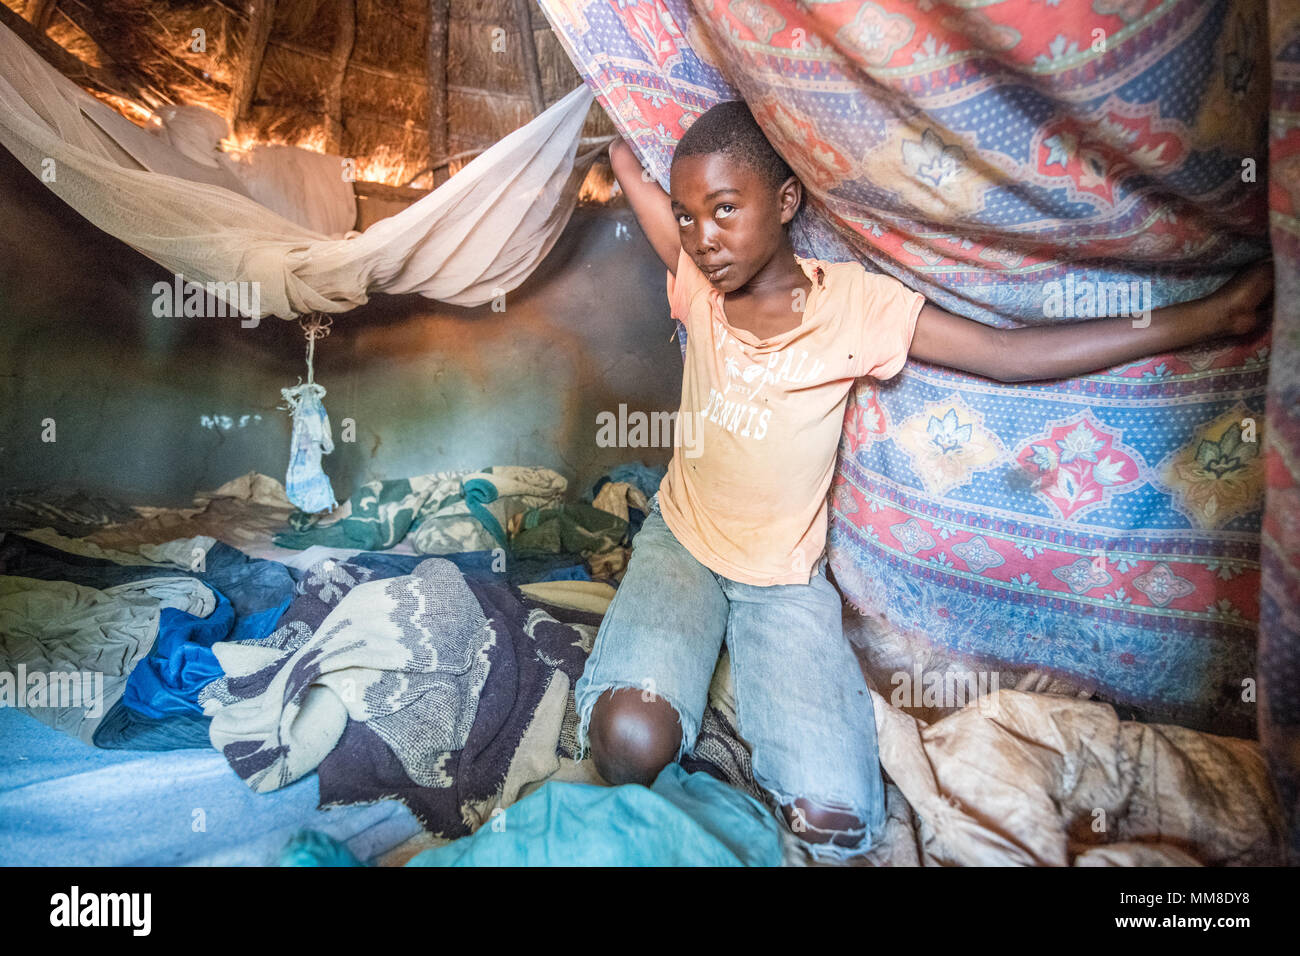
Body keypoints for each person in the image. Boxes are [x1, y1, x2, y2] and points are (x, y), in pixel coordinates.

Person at [579, 100, 1273, 861]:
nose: (703, 239)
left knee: (836, 817)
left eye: (723, 210)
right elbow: (643, 192)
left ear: (784, 203)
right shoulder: (697, 285)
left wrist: (1208, 317)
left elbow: (1006, 353)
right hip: (682, 541)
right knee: (630, 740)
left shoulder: (851, 306)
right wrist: (614, 145)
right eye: (689, 218)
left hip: (781, 583)